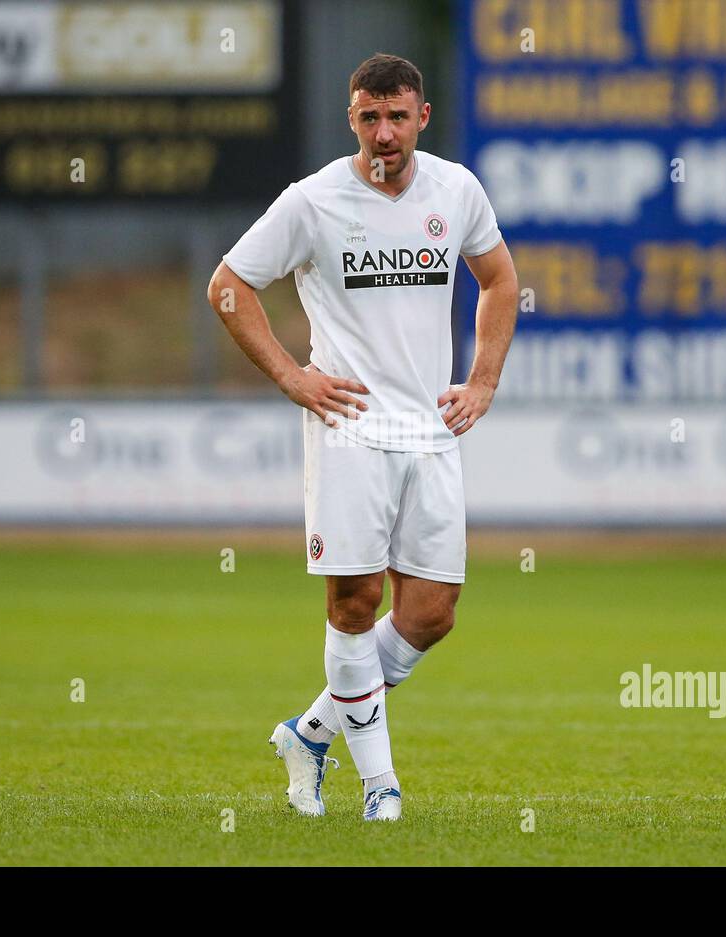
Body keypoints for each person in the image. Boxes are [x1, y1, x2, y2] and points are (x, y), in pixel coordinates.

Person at [207, 53, 517, 821]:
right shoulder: (313, 201)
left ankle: (307, 733)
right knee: (354, 600)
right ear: (352, 119)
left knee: (431, 614)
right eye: (369, 117)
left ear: (423, 118)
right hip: (348, 427)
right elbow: (228, 286)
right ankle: (381, 785)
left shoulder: (457, 190)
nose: (384, 133)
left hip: (431, 431)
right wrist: (293, 376)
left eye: (397, 116)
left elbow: (501, 280)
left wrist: (482, 380)